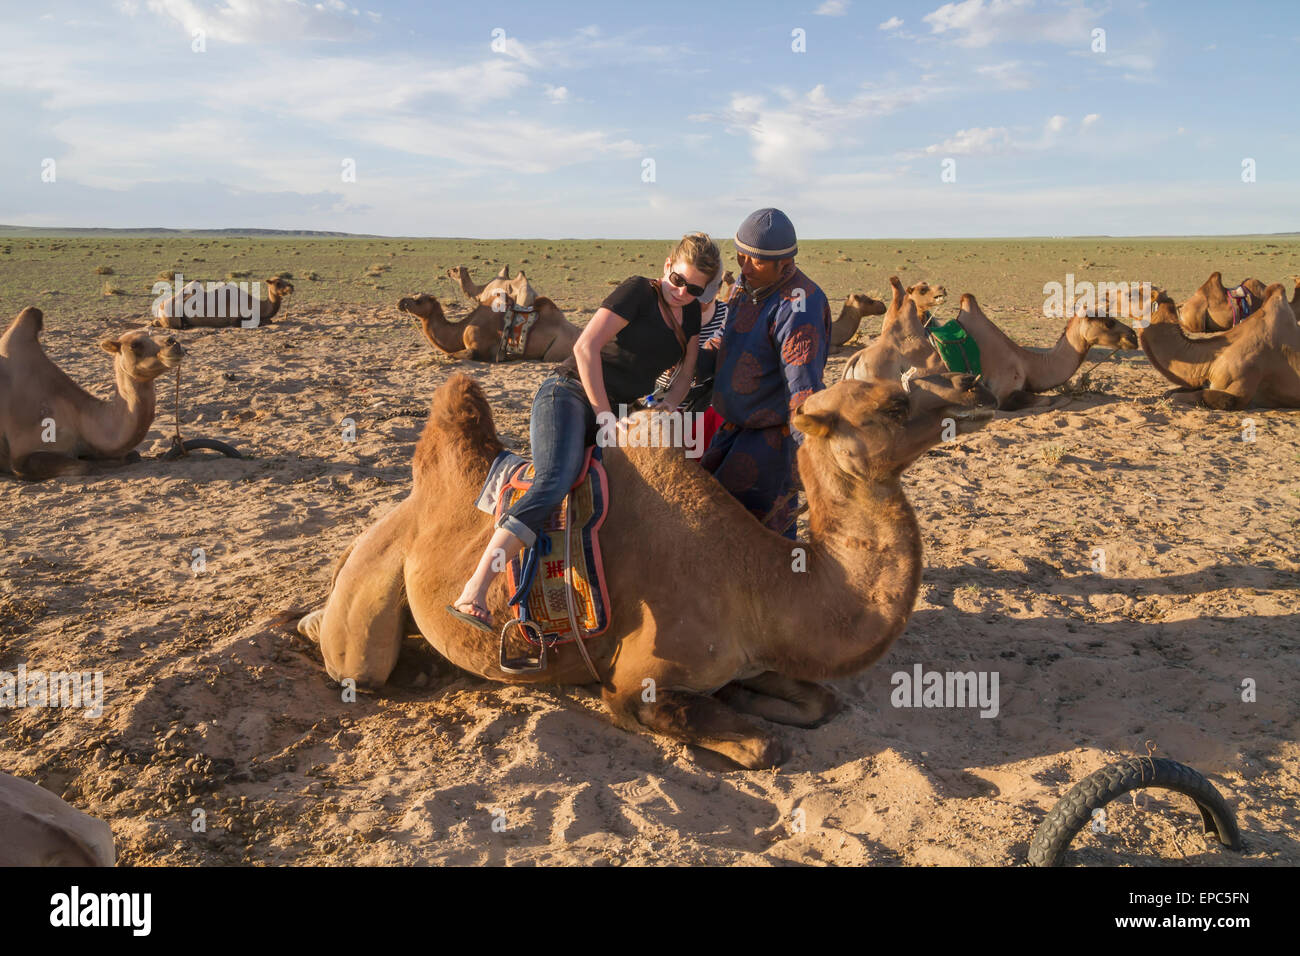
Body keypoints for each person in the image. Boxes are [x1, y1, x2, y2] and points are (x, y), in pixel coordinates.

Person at [449, 233, 723, 631]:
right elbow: (585, 348)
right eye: (678, 281)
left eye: (695, 288)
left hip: (622, 411)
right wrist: (603, 415)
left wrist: (666, 406)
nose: (683, 293)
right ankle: (476, 588)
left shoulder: (693, 314)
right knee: (555, 480)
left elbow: (685, 373)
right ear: (667, 266)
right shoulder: (637, 292)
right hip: (572, 393)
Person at [701, 208, 830, 539]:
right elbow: (726, 339)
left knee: (765, 543)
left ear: (784, 264)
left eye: (755, 261)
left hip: (768, 445)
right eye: (741, 256)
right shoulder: (744, 286)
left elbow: (802, 387)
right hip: (730, 432)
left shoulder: (800, 306)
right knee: (717, 528)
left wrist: (809, 459)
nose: (743, 267)